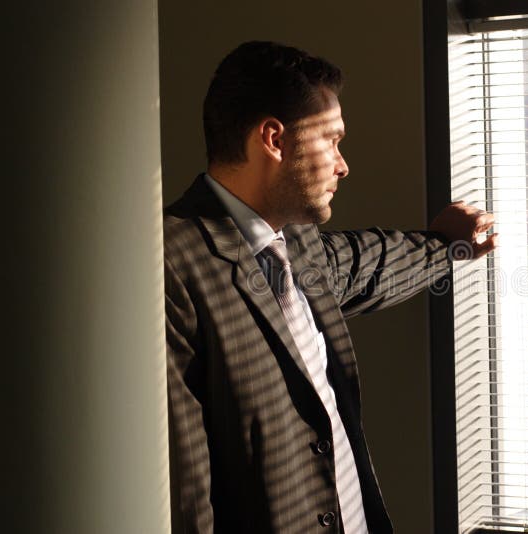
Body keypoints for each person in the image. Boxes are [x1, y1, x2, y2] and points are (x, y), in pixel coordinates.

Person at [164, 41, 497, 533]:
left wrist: (447, 245)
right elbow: (185, 490)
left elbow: (365, 264)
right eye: (332, 141)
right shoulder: (169, 265)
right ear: (274, 139)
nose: (343, 165)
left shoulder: (294, 241)